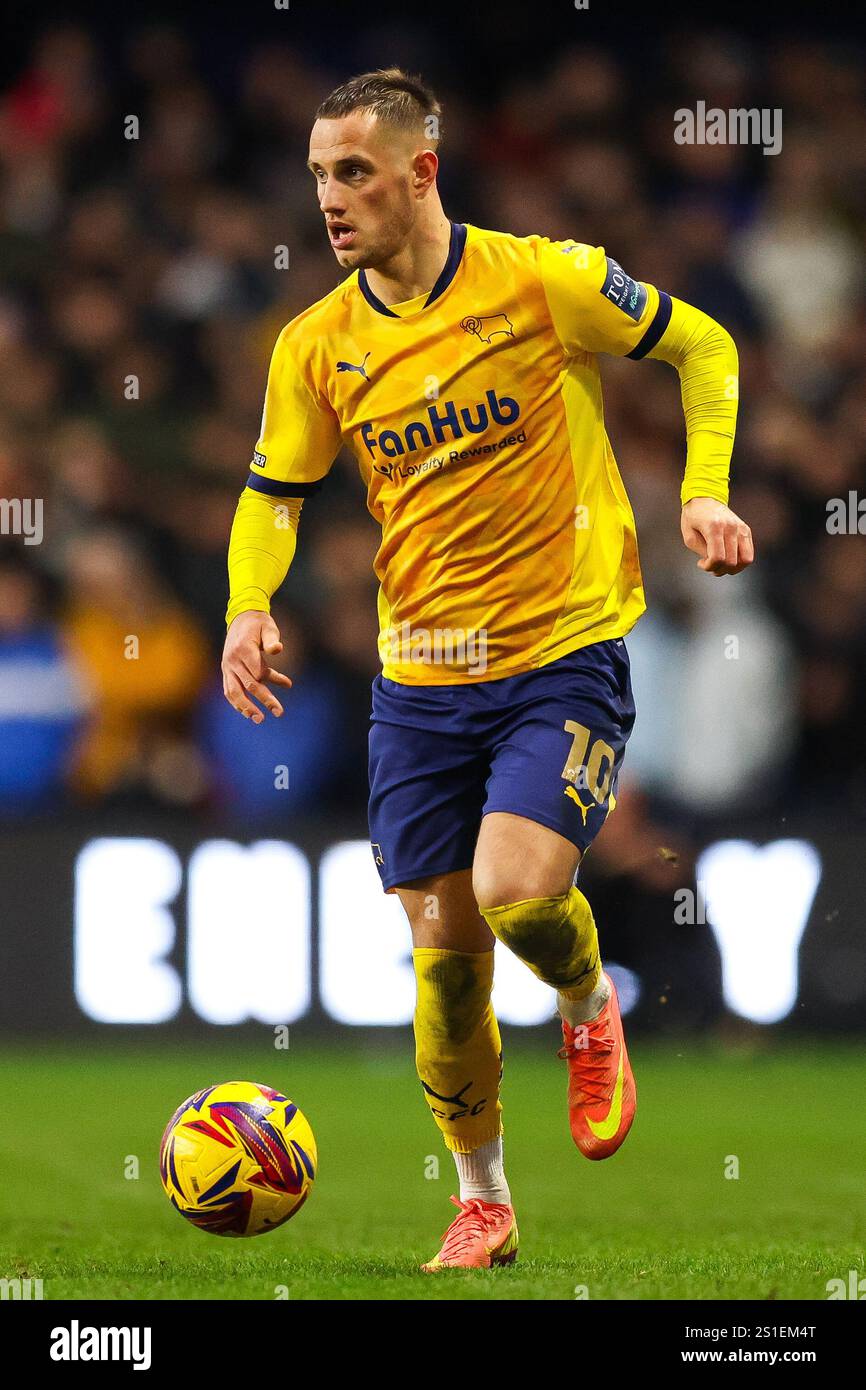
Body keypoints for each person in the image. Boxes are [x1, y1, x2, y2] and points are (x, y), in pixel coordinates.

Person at [221, 68, 754, 1271]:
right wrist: (247, 606)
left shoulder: (544, 279)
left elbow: (704, 346)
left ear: (422, 171)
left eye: (352, 171)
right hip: (416, 687)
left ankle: (583, 1002)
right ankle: (483, 1200)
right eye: (316, 174)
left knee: (519, 893)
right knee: (447, 972)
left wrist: (705, 486)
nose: (329, 198)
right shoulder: (316, 345)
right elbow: (271, 496)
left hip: (558, 653)